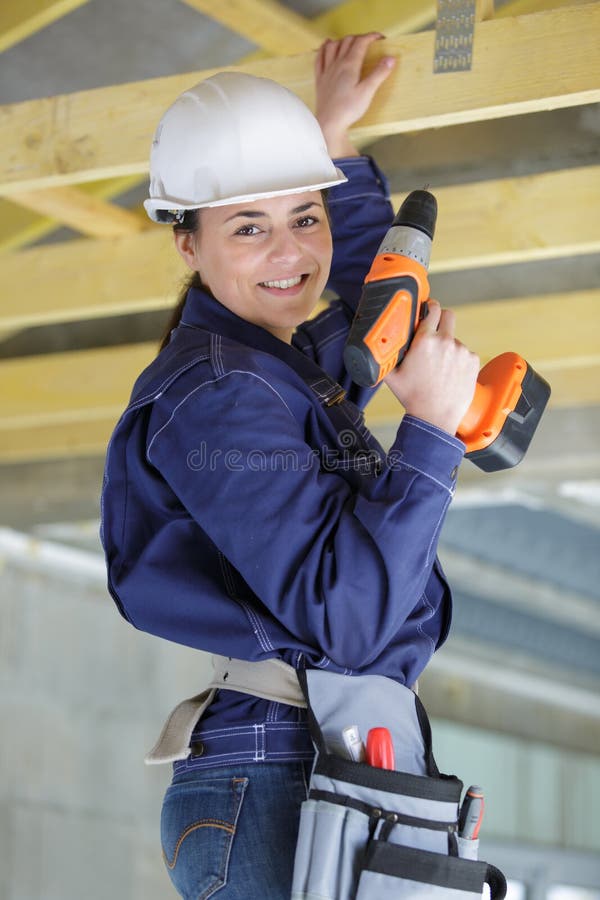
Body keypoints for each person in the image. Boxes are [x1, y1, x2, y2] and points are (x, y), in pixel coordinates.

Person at [101, 33, 479, 900]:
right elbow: (345, 618)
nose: (289, 252)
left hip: (309, 751)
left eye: (304, 216)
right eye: (248, 226)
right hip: (280, 769)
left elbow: (382, 303)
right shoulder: (216, 398)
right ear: (187, 243)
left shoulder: (276, 367)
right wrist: (430, 431)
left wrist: (332, 141)